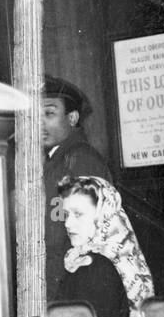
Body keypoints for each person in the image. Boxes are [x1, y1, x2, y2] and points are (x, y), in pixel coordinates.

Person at [54, 176, 154, 317]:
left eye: (78, 214)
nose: (68, 223)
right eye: (66, 215)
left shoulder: (94, 267)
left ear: (103, 217)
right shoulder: (118, 256)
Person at [42, 75, 112, 299]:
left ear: (72, 118)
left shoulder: (80, 160)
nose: (38, 122)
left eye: (49, 113)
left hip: (71, 284)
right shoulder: (58, 158)